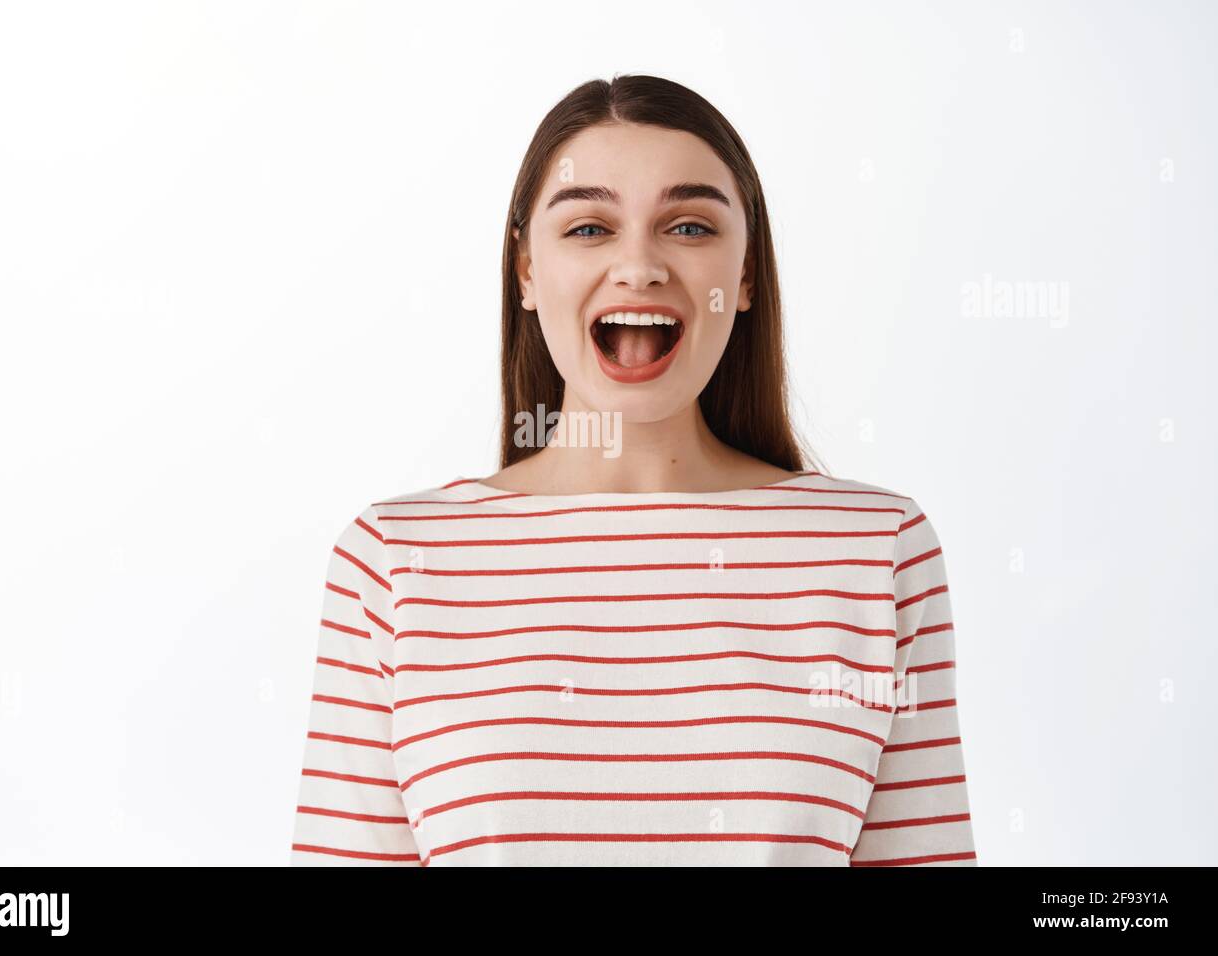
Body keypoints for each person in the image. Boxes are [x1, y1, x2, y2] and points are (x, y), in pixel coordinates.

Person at [290, 74, 976, 866]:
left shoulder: (877, 549)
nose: (640, 266)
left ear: (746, 275)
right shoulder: (393, 562)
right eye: (588, 229)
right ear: (525, 272)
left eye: (688, 227)